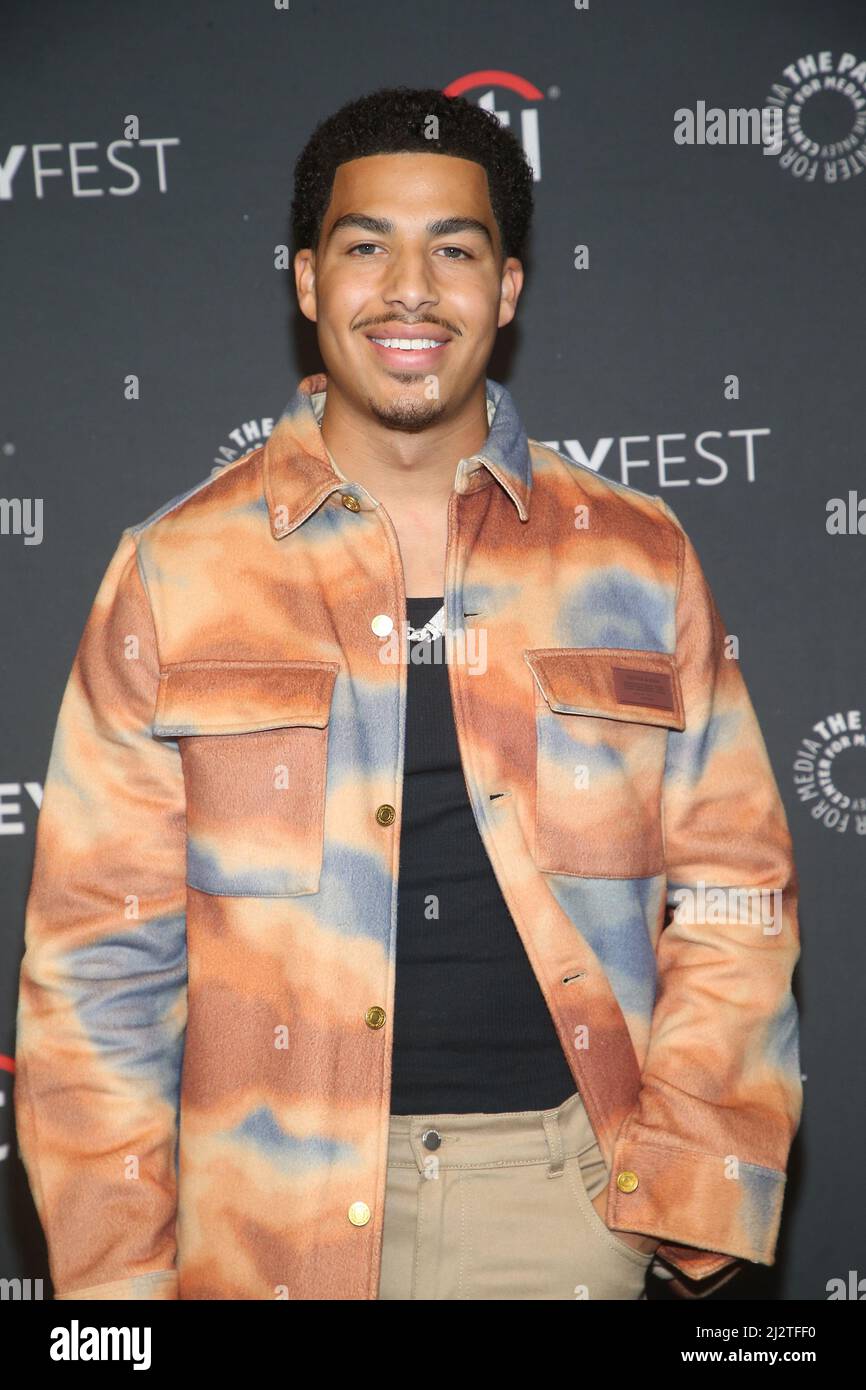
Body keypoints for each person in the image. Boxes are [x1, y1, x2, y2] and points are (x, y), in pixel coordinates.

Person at [14, 86, 802, 1302]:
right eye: (365, 243)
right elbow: (95, 969)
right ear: (306, 282)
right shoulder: (174, 570)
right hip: (260, 1228)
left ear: (508, 289)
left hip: (573, 1212)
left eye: (455, 247)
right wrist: (118, 1290)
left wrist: (691, 1191)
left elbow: (734, 895)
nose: (409, 288)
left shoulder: (635, 558)